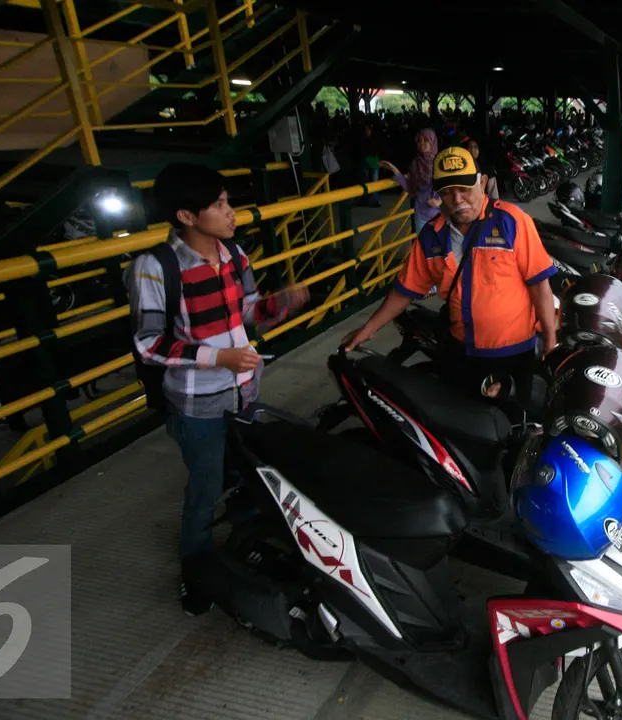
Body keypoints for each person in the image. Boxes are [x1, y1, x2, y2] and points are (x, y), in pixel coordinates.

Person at [126, 163, 308, 616]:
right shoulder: (155, 269)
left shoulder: (234, 255)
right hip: (198, 402)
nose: (231, 212)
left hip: (243, 390)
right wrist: (218, 358)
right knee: (204, 488)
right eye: (220, 205)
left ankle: (244, 540)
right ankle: (197, 568)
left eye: (228, 201)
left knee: (246, 469)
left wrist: (272, 307)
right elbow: (150, 344)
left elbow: (244, 312)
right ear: (187, 216)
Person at [344, 146, 557, 404]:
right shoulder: (432, 236)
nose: (457, 199)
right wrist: (369, 328)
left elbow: (540, 286)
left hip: (513, 354)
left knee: (511, 426)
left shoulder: (511, 222)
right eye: (447, 191)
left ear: (483, 183)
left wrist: (550, 342)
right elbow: (405, 291)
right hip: (462, 353)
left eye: (465, 189)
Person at [380, 127, 441, 233]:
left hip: (439, 214)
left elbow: (449, 187)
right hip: (421, 215)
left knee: (441, 247)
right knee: (423, 247)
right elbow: (410, 187)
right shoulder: (415, 164)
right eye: (419, 141)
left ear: (432, 142)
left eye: (425, 140)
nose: (422, 143)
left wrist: (440, 201)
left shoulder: (440, 162)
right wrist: (394, 169)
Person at [462, 135, 499, 200]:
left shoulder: (488, 169)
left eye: (475, 147)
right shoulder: (461, 168)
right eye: (470, 147)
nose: (473, 150)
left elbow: (494, 196)